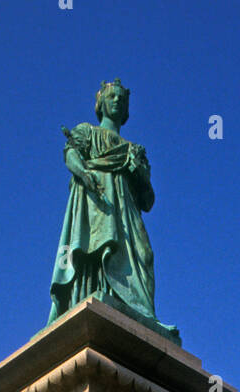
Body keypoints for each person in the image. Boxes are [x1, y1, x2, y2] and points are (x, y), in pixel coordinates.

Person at [47, 80, 179, 342]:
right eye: (112, 96)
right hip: (97, 202)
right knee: (98, 246)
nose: (117, 100)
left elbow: (148, 201)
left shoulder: (134, 150)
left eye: (122, 98)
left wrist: (139, 174)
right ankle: (96, 292)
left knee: (145, 254)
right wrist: (83, 172)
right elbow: (71, 153)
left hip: (126, 212)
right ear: (101, 103)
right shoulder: (87, 131)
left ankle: (137, 310)